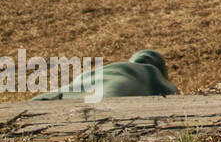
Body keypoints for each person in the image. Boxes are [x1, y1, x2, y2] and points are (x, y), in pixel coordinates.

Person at [32, 50, 178, 101]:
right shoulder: (151, 73)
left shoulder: (100, 70)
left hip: (78, 88)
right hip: (111, 90)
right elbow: (171, 97)